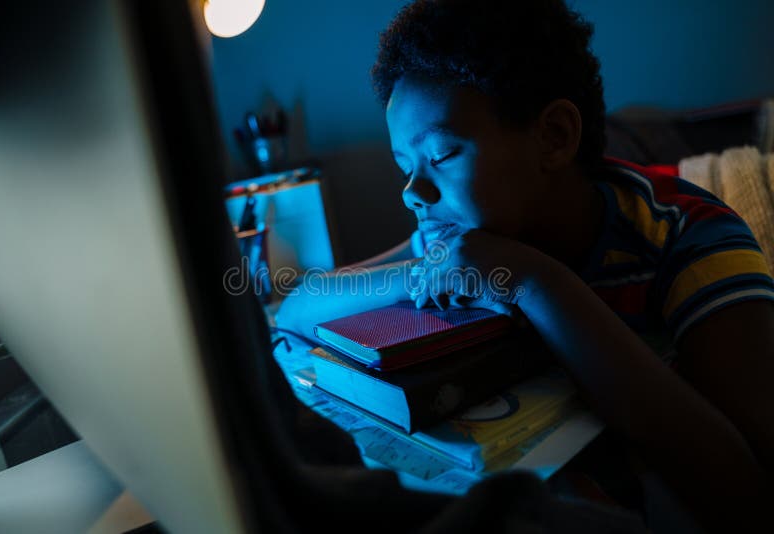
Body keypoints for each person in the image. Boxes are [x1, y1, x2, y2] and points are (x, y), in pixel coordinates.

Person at [276, 0, 774, 529]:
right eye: (404, 167)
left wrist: (533, 280)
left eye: (442, 155)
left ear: (555, 136)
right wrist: (422, 273)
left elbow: (747, 491)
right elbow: (298, 305)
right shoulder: (462, 240)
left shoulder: (689, 236)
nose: (412, 193)